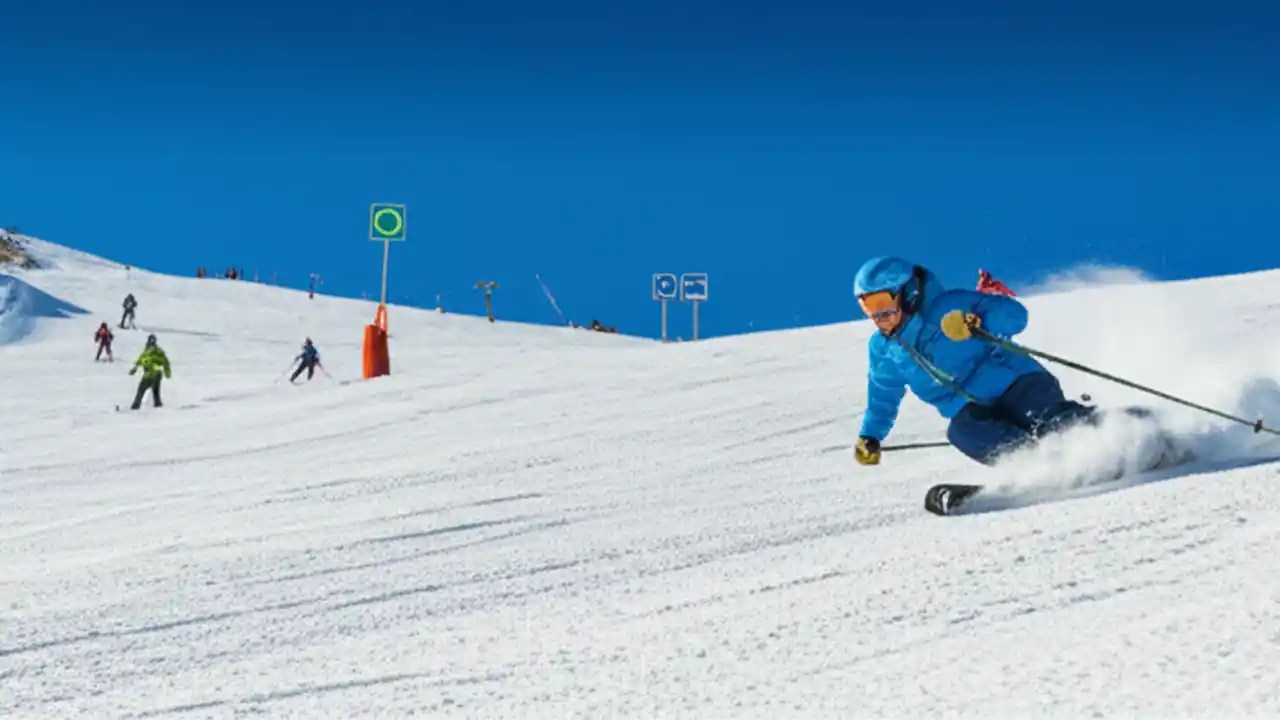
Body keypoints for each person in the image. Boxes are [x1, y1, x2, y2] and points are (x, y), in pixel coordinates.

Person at [851, 256, 1096, 468]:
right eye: (867, 306)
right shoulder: (883, 350)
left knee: (1045, 418)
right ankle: (1035, 466)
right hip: (971, 409)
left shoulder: (949, 306)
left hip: (1015, 380)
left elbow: (1015, 316)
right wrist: (870, 436)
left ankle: (1097, 439)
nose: (876, 315)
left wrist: (980, 323)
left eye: (881, 303)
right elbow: (883, 395)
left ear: (908, 293)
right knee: (962, 432)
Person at [128, 334, 171, 409]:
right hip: (149, 374)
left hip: (154, 373)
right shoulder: (146, 352)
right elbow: (140, 360)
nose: (151, 343)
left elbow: (165, 362)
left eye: (152, 341)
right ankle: (139, 405)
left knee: (149, 390)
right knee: (145, 390)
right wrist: (134, 369)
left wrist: (167, 372)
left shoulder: (158, 352)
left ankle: (154, 405)